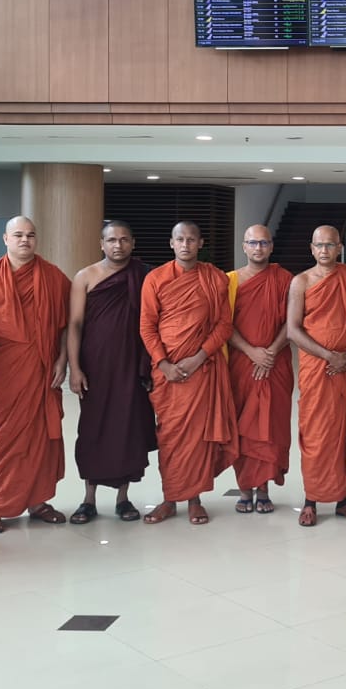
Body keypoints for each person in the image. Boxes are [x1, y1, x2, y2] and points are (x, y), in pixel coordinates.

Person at [0, 216, 73, 533]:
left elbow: (67, 324)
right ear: (5, 239)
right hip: (4, 372)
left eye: (30, 235)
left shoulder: (54, 277)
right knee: (0, 439)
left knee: (40, 436)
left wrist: (62, 360)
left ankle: (38, 501)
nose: (25, 240)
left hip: (43, 370)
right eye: (18, 235)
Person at [139, 222, 237, 524]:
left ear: (200, 243)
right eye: (180, 239)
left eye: (191, 240)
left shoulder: (215, 278)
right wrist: (163, 364)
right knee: (169, 435)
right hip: (167, 373)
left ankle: (195, 499)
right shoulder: (155, 279)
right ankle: (170, 498)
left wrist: (199, 356)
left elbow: (224, 324)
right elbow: (147, 326)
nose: (185, 245)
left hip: (202, 368)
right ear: (171, 243)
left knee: (198, 438)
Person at [66, 220, 156, 523]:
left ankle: (123, 498)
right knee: (93, 430)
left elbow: (154, 320)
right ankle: (88, 499)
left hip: (132, 364)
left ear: (133, 243)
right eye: (112, 240)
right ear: (101, 244)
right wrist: (74, 368)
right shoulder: (85, 276)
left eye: (124, 240)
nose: (118, 246)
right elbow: (75, 325)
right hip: (95, 365)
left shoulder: (144, 275)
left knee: (128, 429)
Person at [286, 226, 346, 527]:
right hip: (317, 369)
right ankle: (310, 499)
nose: (325, 251)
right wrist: (329, 356)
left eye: (330, 245)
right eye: (319, 245)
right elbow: (293, 330)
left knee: (343, 432)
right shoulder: (301, 282)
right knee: (315, 433)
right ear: (312, 249)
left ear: (340, 248)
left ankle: (342, 499)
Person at [227, 225, 294, 515]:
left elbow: (292, 322)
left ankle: (264, 487)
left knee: (271, 425)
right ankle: (244, 489)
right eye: (252, 243)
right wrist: (251, 352)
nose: (258, 248)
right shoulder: (228, 281)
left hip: (275, 362)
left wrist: (270, 353)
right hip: (241, 363)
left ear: (271, 246)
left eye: (263, 242)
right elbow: (222, 324)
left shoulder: (285, 279)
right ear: (244, 246)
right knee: (242, 425)